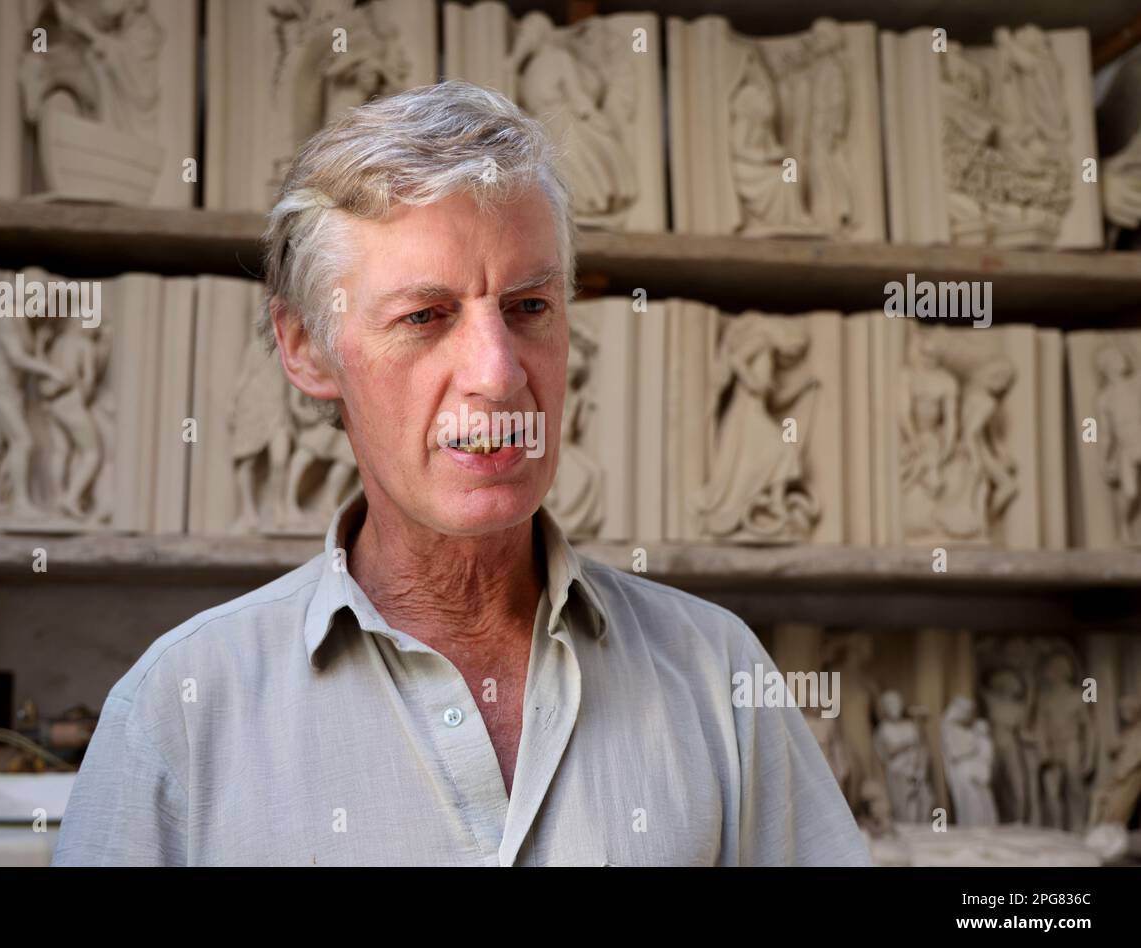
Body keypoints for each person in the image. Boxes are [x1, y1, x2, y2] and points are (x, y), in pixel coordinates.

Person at [54, 80, 869, 866]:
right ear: (306, 346)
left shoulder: (717, 672)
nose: (498, 371)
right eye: (424, 316)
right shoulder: (181, 710)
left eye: (529, 307)